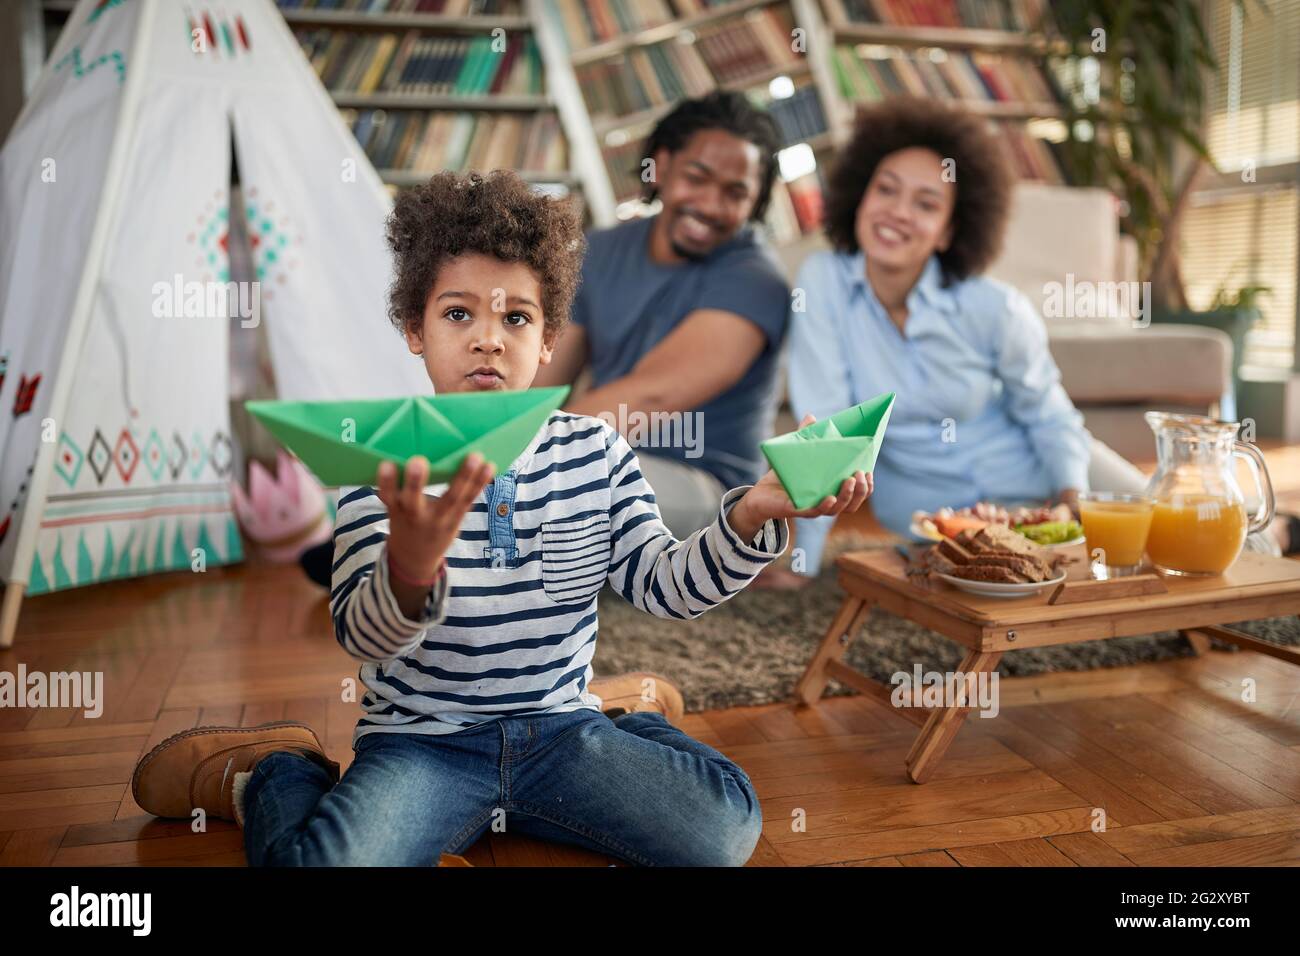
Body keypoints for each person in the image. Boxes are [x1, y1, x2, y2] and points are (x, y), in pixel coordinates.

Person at [130, 171, 871, 866]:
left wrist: (750, 518)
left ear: (548, 341)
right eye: (459, 313)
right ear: (416, 331)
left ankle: (631, 720)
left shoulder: (597, 449)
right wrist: (410, 569)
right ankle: (275, 773)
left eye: (516, 317)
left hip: (562, 734)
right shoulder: (385, 462)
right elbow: (358, 631)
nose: (488, 337)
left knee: (725, 829)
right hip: (424, 748)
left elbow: (664, 588)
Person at [780, 99, 1291, 586]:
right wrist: (804, 560)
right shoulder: (823, 282)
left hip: (1044, 475)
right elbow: (826, 425)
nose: (896, 212)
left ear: (947, 232)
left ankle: (1278, 528)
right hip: (930, 511)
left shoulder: (993, 307)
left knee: (1193, 550)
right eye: (885, 190)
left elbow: (1049, 416)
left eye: (926, 202)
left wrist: (1071, 498)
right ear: (859, 196)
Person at [534, 92, 791, 540]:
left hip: (708, 491)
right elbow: (541, 381)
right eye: (698, 177)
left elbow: (650, 398)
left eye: (735, 193)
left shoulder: (756, 282)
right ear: (664, 164)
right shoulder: (599, 251)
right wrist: (484, 443)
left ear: (755, 203)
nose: (710, 205)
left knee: (558, 489)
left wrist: (528, 461)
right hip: (606, 455)